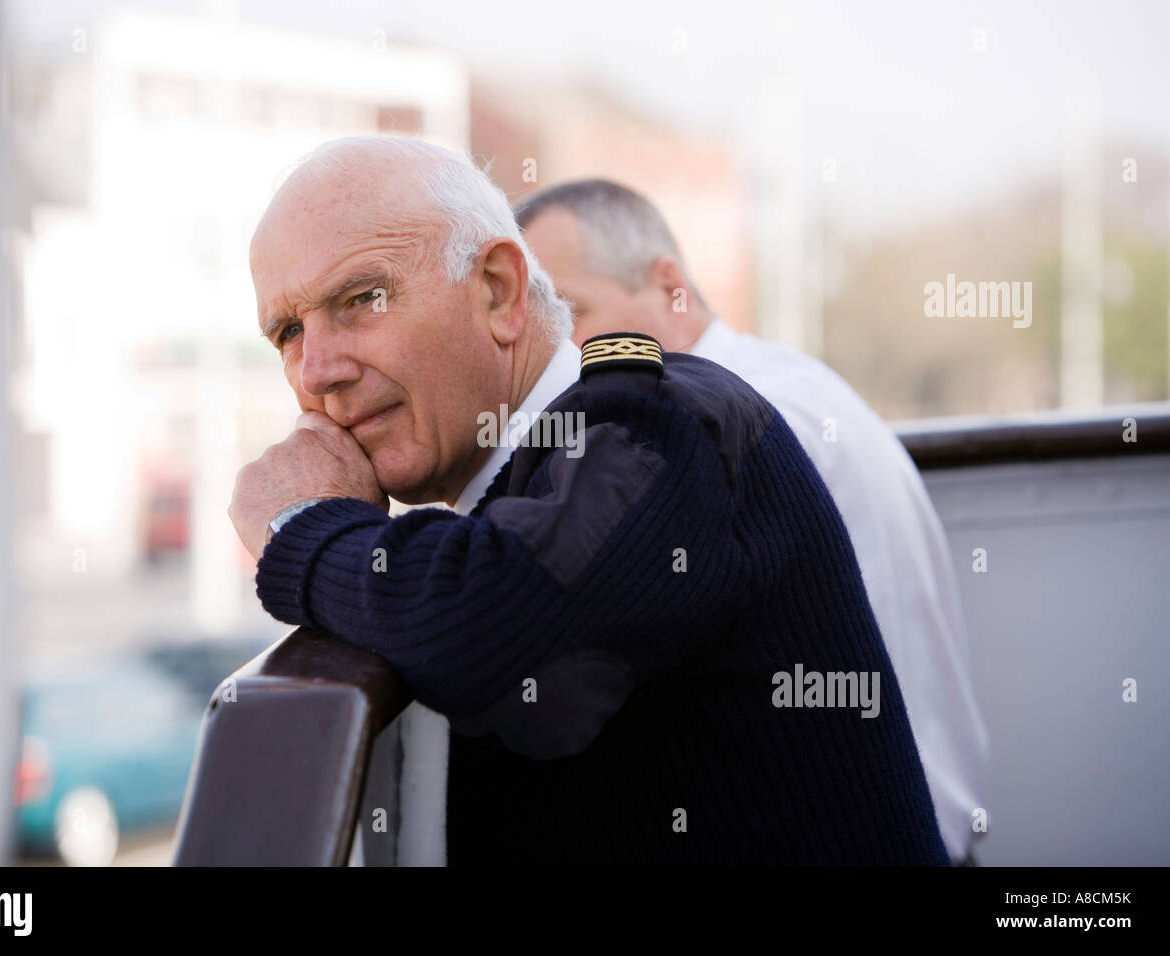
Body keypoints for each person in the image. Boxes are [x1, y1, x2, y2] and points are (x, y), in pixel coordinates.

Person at [230, 135, 949, 865]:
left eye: (361, 300)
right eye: (288, 331)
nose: (317, 371)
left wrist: (302, 528)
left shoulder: (665, 418)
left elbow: (503, 632)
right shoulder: (567, 450)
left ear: (499, 292)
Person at [517, 179, 988, 864]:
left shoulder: (733, 424)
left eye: (574, 313)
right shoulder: (787, 388)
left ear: (669, 285)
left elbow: (551, 619)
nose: (558, 353)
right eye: (544, 326)